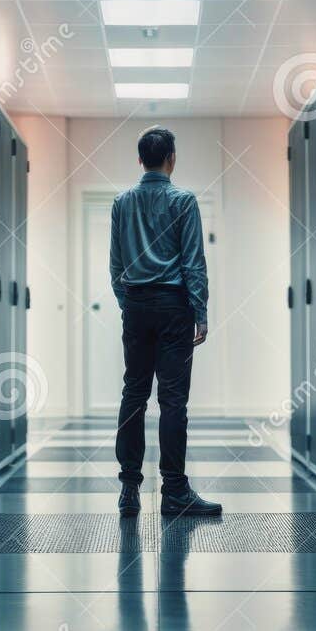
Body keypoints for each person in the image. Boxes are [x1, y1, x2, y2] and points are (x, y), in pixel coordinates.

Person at [107, 126, 221, 517]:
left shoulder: (121, 203)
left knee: (133, 395)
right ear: (172, 158)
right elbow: (193, 263)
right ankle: (174, 491)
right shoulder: (184, 201)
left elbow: (116, 265)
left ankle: (129, 490)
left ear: (140, 160)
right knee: (173, 401)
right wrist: (200, 311)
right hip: (174, 309)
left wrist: (129, 303)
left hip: (137, 307)